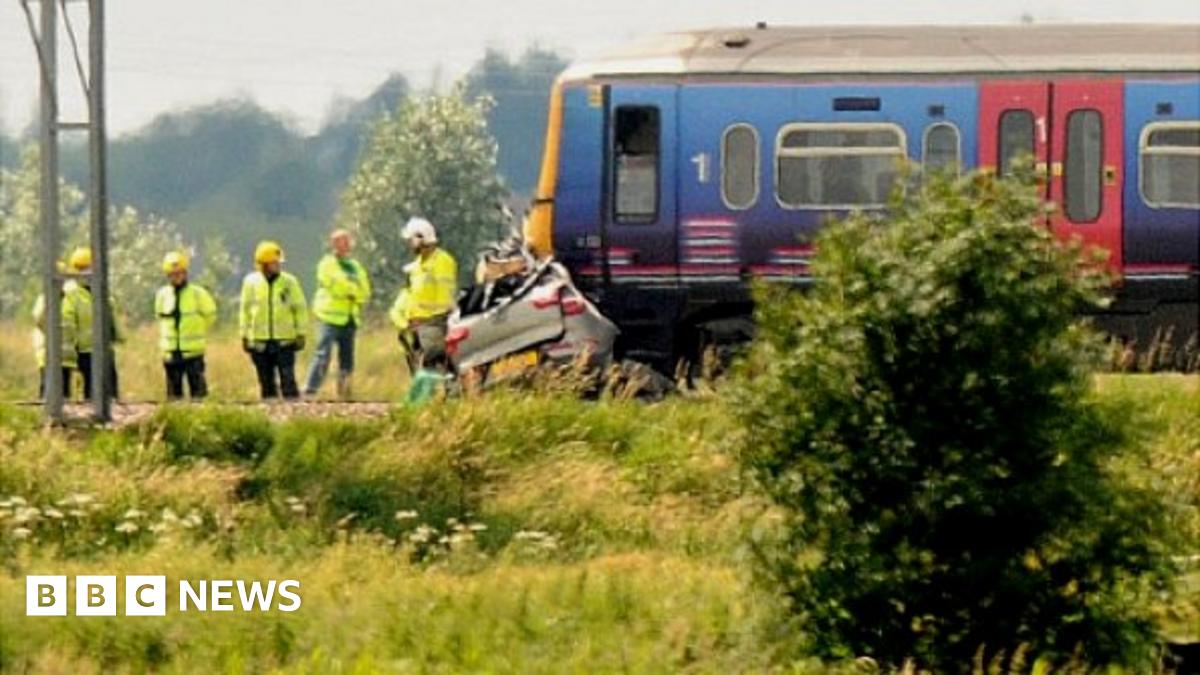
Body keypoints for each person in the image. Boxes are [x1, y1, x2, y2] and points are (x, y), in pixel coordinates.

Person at [34, 247, 122, 400]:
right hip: (78, 350)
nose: (85, 273)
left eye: (87, 268)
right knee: (63, 393)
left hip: (94, 349)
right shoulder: (70, 293)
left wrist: (115, 337)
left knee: (100, 393)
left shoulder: (100, 294)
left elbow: (110, 319)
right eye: (81, 269)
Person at [304, 229, 371, 400]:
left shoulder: (355, 267)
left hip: (349, 318)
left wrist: (354, 293)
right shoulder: (327, 264)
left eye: (347, 241)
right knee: (323, 354)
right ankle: (310, 390)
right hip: (329, 317)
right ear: (333, 244)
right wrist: (352, 291)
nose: (345, 245)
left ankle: (344, 393)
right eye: (341, 241)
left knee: (347, 359)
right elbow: (335, 284)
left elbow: (365, 290)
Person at [239, 241, 308, 400]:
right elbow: (245, 310)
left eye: (278, 262)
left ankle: (293, 409)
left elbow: (300, 308)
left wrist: (301, 333)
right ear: (263, 264)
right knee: (266, 382)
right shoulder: (251, 282)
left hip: (285, 341)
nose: (278, 265)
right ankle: (270, 410)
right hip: (259, 341)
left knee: (288, 379)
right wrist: (244, 335)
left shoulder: (289, 282)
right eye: (274, 263)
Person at [388, 217, 457, 373]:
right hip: (419, 327)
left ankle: (450, 387)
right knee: (422, 370)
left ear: (421, 238)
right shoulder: (417, 265)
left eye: (411, 240)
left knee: (435, 367)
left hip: (434, 325)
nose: (409, 244)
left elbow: (444, 297)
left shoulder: (442, 261)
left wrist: (429, 320)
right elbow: (412, 295)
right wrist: (406, 321)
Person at [155, 251, 218, 400]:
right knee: (173, 395)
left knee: (199, 394)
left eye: (179, 273)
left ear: (185, 273)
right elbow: (159, 317)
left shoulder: (198, 294)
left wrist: (197, 332)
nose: (176, 277)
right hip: (171, 352)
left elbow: (210, 315)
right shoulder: (162, 295)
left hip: (193, 352)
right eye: (172, 274)